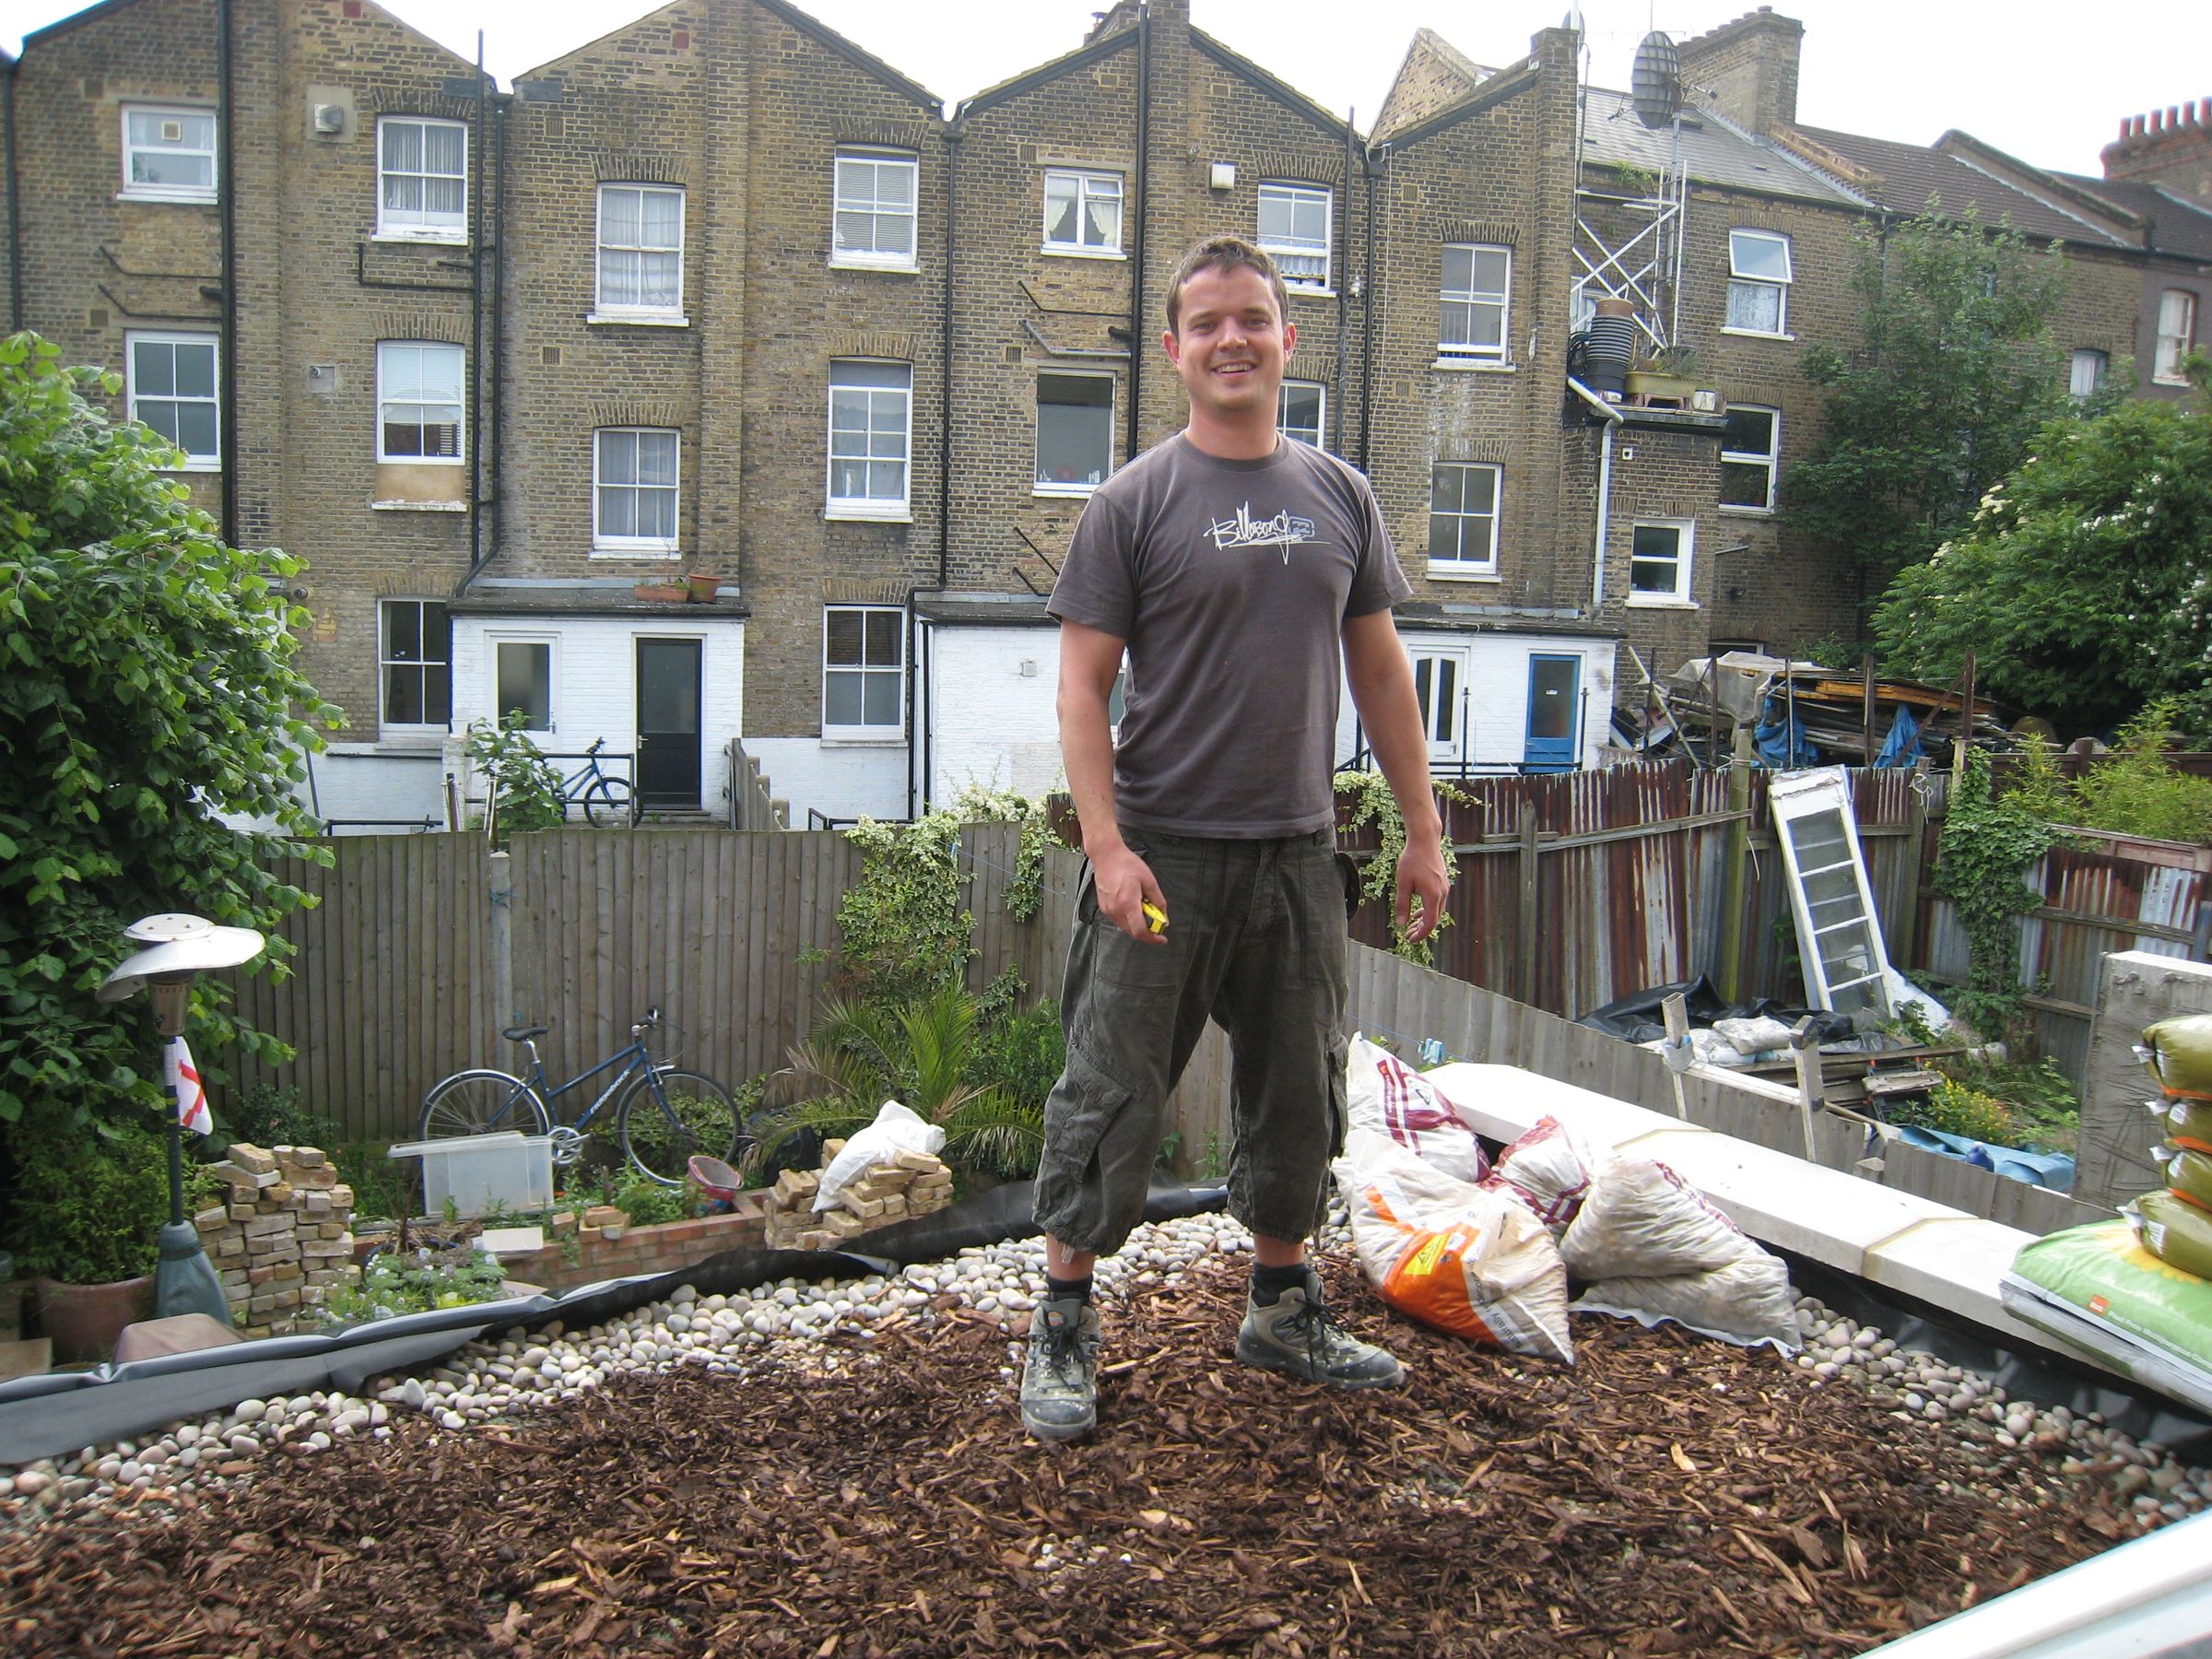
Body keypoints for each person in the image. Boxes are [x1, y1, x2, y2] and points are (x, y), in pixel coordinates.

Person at [1020, 234, 1448, 1442]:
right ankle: (1061, 1321)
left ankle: (1279, 1305)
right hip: (1165, 858)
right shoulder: (1134, 503)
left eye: (1252, 319)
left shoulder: (1340, 497)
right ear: (1174, 350)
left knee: (1300, 1095)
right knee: (1108, 1091)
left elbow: (1381, 673)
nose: (1231, 340)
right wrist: (1106, 849)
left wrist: (1422, 831)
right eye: (1206, 323)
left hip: (1295, 857)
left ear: (1286, 341)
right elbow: (1080, 691)